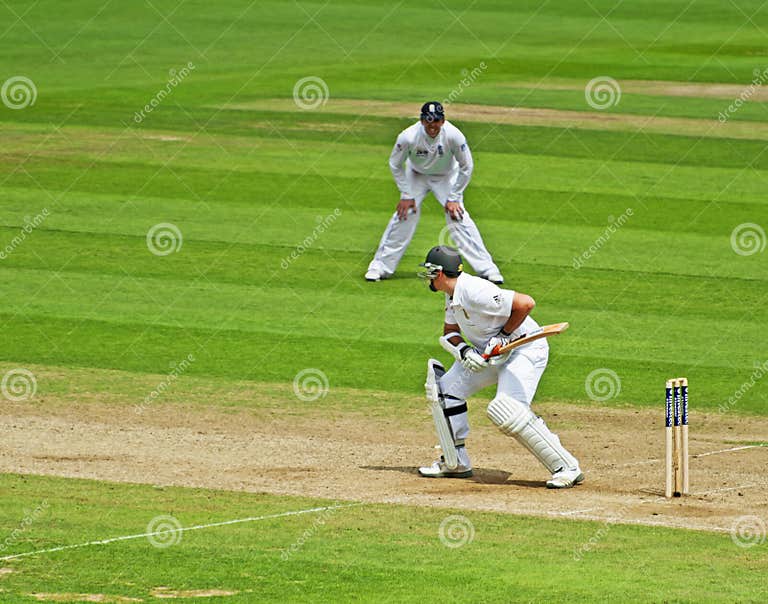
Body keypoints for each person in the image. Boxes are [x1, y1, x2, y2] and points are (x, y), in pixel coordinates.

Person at [417, 245, 584, 489]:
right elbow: (450, 332)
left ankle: (567, 467)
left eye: (431, 272)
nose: (429, 278)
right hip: (491, 354)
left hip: (524, 349)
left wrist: (504, 335)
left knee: (508, 409)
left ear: (440, 273)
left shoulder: (475, 291)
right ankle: (456, 461)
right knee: (446, 392)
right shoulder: (451, 294)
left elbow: (526, 303)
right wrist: (464, 352)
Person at [364, 101, 503, 283]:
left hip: (446, 176)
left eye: (436, 121)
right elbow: (395, 164)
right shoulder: (408, 137)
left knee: (458, 216)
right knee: (405, 214)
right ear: (422, 121)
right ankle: (379, 267)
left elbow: (466, 166)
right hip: (416, 175)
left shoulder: (454, 135)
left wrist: (454, 197)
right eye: (428, 121)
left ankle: (487, 269)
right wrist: (406, 194)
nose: (432, 125)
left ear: (443, 120)